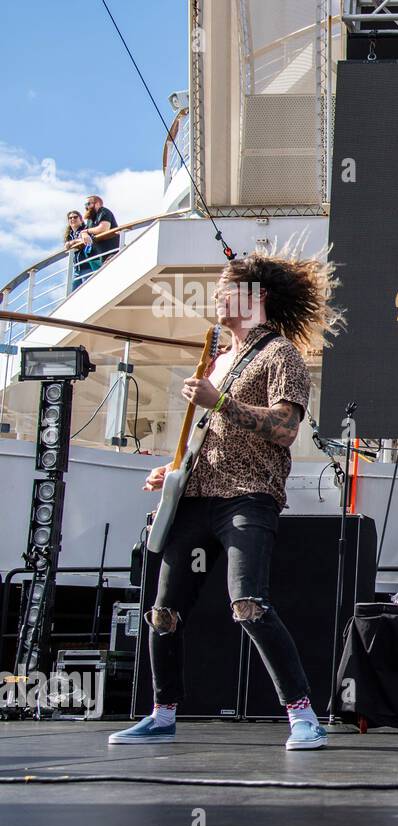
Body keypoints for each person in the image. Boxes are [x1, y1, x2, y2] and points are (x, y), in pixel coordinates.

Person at [110, 252, 345, 749]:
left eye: (224, 289)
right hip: (197, 496)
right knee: (163, 612)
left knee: (248, 603)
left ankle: (303, 716)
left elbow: (284, 429)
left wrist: (219, 401)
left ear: (254, 298)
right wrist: (172, 472)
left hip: (248, 497)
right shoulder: (219, 359)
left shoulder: (280, 355)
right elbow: (205, 435)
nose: (216, 297)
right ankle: (162, 712)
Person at [81, 195, 120, 266]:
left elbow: (103, 228)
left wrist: (86, 231)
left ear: (97, 204)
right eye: (85, 205)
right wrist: (84, 233)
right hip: (103, 257)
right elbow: (84, 232)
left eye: (88, 204)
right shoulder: (90, 220)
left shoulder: (104, 211)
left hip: (114, 253)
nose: (86, 207)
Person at [62, 210, 98, 289]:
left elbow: (88, 240)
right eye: (70, 218)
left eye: (75, 217)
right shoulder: (69, 235)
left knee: (87, 289)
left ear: (81, 220)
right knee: (73, 293)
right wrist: (70, 243)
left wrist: (73, 242)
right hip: (77, 268)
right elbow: (66, 247)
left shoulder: (86, 229)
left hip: (88, 265)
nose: (72, 219)